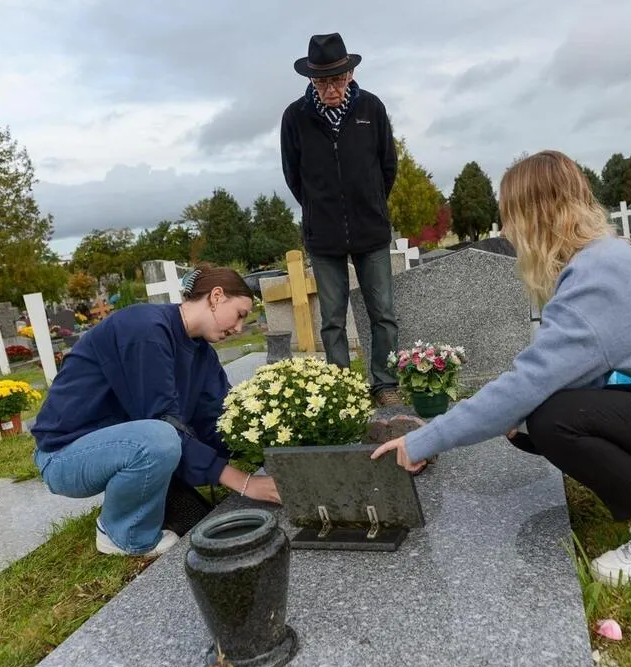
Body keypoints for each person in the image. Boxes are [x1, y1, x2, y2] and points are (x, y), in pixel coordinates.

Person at [372, 151, 631, 586]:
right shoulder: (601, 261)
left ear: (537, 215)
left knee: (553, 421)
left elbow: (527, 385)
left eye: (509, 216)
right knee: (542, 420)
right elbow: (577, 381)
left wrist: (424, 439)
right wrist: (518, 419)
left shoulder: (593, 281)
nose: (505, 231)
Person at [31, 265, 281, 557]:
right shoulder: (144, 328)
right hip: (64, 455)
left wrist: (273, 452)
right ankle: (120, 533)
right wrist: (245, 483)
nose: (239, 327)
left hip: (121, 446)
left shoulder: (202, 354)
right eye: (239, 314)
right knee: (160, 438)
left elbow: (220, 419)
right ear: (216, 297)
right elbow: (161, 421)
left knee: (162, 438)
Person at [280, 32, 401, 406]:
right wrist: (320, 208)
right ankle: (342, 389)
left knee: (382, 313)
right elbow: (293, 176)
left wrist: (370, 203)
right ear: (310, 80)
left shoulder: (371, 109)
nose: (330, 88)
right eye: (321, 81)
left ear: (349, 75)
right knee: (332, 319)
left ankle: (385, 385)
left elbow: (387, 166)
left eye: (336, 79)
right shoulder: (295, 118)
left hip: (371, 230)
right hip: (324, 236)